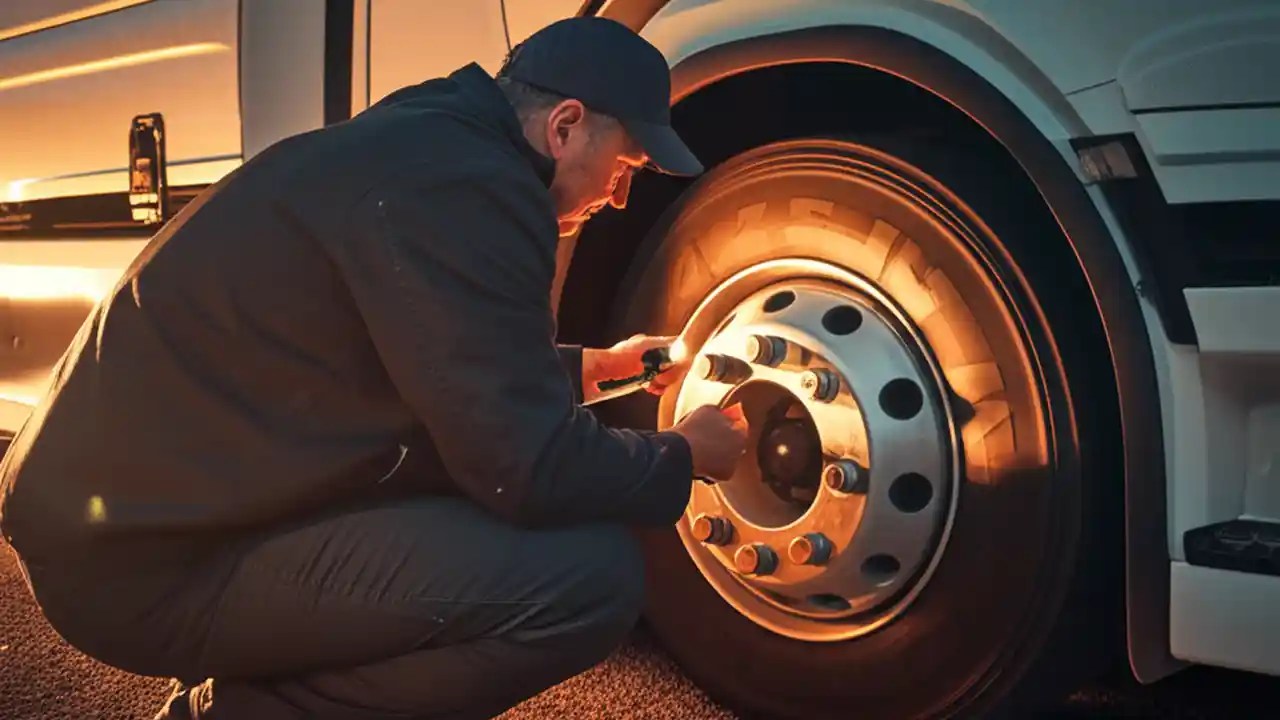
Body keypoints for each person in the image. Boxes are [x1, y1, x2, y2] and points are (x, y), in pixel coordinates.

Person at [0, 16, 749, 720]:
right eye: (624, 167)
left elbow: (436, 359)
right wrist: (683, 455)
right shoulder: (474, 194)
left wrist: (594, 369)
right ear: (565, 126)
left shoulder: (427, 149)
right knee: (589, 580)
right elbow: (526, 472)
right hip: (140, 567)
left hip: (119, 522)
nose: (618, 199)